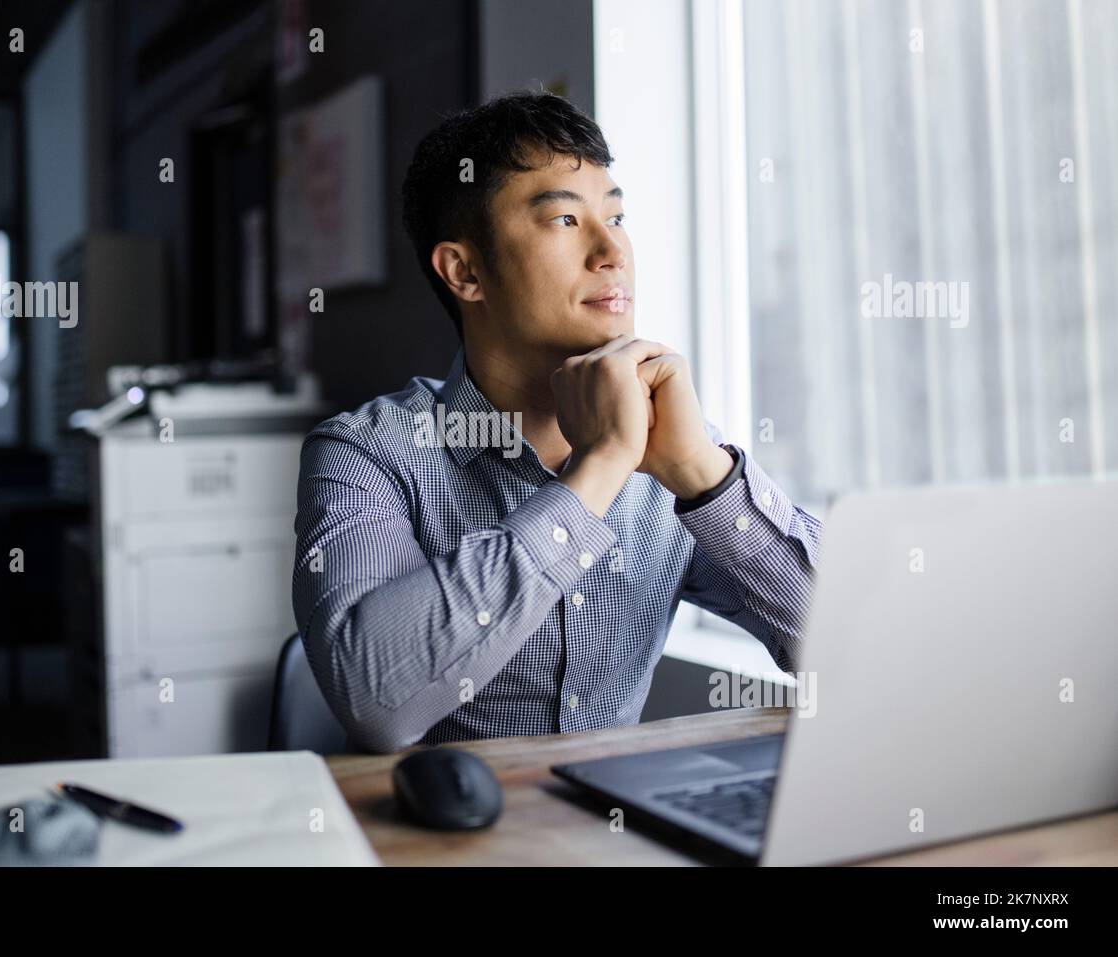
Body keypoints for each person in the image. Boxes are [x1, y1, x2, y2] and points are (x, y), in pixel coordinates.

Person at [292, 90, 820, 754]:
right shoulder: (366, 454)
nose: (614, 251)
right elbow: (374, 701)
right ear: (465, 271)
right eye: (566, 221)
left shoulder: (669, 445)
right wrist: (593, 476)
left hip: (611, 836)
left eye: (618, 215)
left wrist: (706, 479)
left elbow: (849, 651)